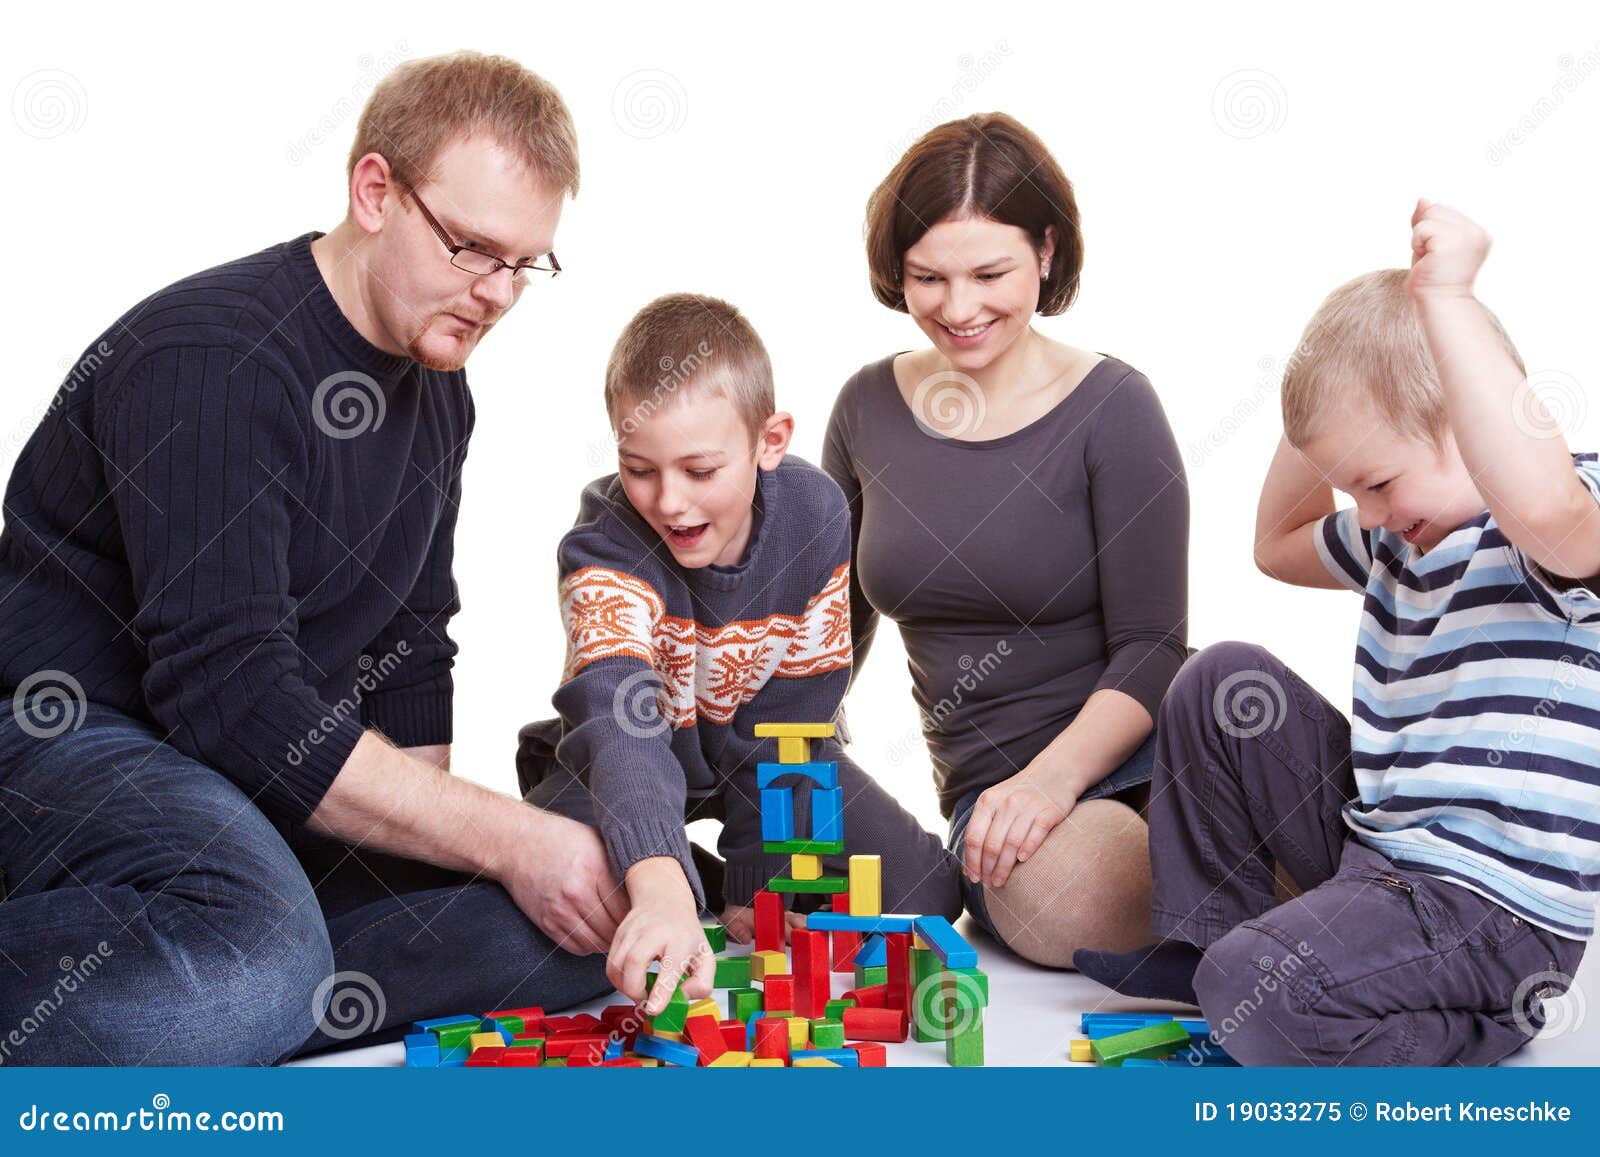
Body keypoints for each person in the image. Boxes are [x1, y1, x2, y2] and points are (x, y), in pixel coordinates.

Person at [0, 52, 620, 1066]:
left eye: (526, 264)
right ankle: (249, 973)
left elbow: (412, 641)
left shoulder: (438, 387)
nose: (499, 293)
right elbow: (232, 698)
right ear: (375, 191)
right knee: (269, 957)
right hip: (70, 746)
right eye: (474, 248)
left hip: (258, 777)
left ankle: (237, 984)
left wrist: (446, 853)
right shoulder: (212, 361)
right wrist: (507, 838)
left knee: (575, 923)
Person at [1076, 202, 1593, 1066]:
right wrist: (1327, 381)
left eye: (1378, 482)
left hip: (1496, 915)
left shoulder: (1555, 528)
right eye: (1354, 490)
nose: (1369, 513)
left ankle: (1476, 1024)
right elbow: (1276, 542)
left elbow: (1543, 504)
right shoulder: (1401, 533)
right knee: (1219, 679)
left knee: (1258, 987)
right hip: (1379, 866)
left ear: (1469, 420)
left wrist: (1449, 301)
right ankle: (1213, 946)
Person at [516, 292, 963, 1012]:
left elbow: (795, 715)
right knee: (556, 919)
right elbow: (620, 719)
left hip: (762, 753)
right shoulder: (602, 543)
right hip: (630, 763)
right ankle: (672, 868)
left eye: (699, 471)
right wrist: (656, 880)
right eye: (639, 469)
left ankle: (708, 879)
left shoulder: (817, 516)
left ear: (770, 441)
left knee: (926, 889)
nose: (669, 501)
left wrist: (757, 882)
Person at [823, 113, 1189, 965]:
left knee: (1241, 822)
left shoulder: (1115, 407)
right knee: (1078, 894)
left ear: (1047, 251)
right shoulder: (865, 408)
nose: (959, 309)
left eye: (990, 273)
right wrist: (789, 772)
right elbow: (826, 627)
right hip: (997, 805)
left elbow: (1154, 646)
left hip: (1146, 754)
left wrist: (1050, 782)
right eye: (928, 277)